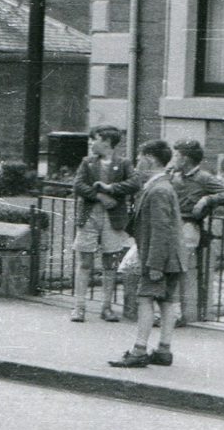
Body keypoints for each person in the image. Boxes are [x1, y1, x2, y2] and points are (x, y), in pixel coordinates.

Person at [109, 139, 183, 368]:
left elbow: (161, 230)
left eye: (139, 157)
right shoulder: (162, 186)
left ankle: (139, 350)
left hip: (159, 258)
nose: (137, 162)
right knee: (167, 301)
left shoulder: (158, 189)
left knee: (145, 299)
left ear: (149, 158)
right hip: (173, 258)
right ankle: (164, 350)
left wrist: (154, 265)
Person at [69, 124, 133, 322]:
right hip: (89, 216)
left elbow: (134, 183)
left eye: (93, 139)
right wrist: (99, 197)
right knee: (85, 261)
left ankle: (106, 307)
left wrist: (111, 188)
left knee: (110, 263)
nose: (90, 143)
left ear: (106, 142)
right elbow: (78, 185)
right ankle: (79, 307)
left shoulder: (123, 163)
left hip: (112, 219)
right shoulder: (87, 162)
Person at [168, 138, 224, 326]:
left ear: (186, 158)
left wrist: (206, 200)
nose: (175, 159)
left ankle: (179, 314)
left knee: (181, 270)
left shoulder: (203, 178)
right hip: (171, 225)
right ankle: (168, 312)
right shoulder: (174, 175)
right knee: (168, 269)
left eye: (177, 155)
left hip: (188, 227)